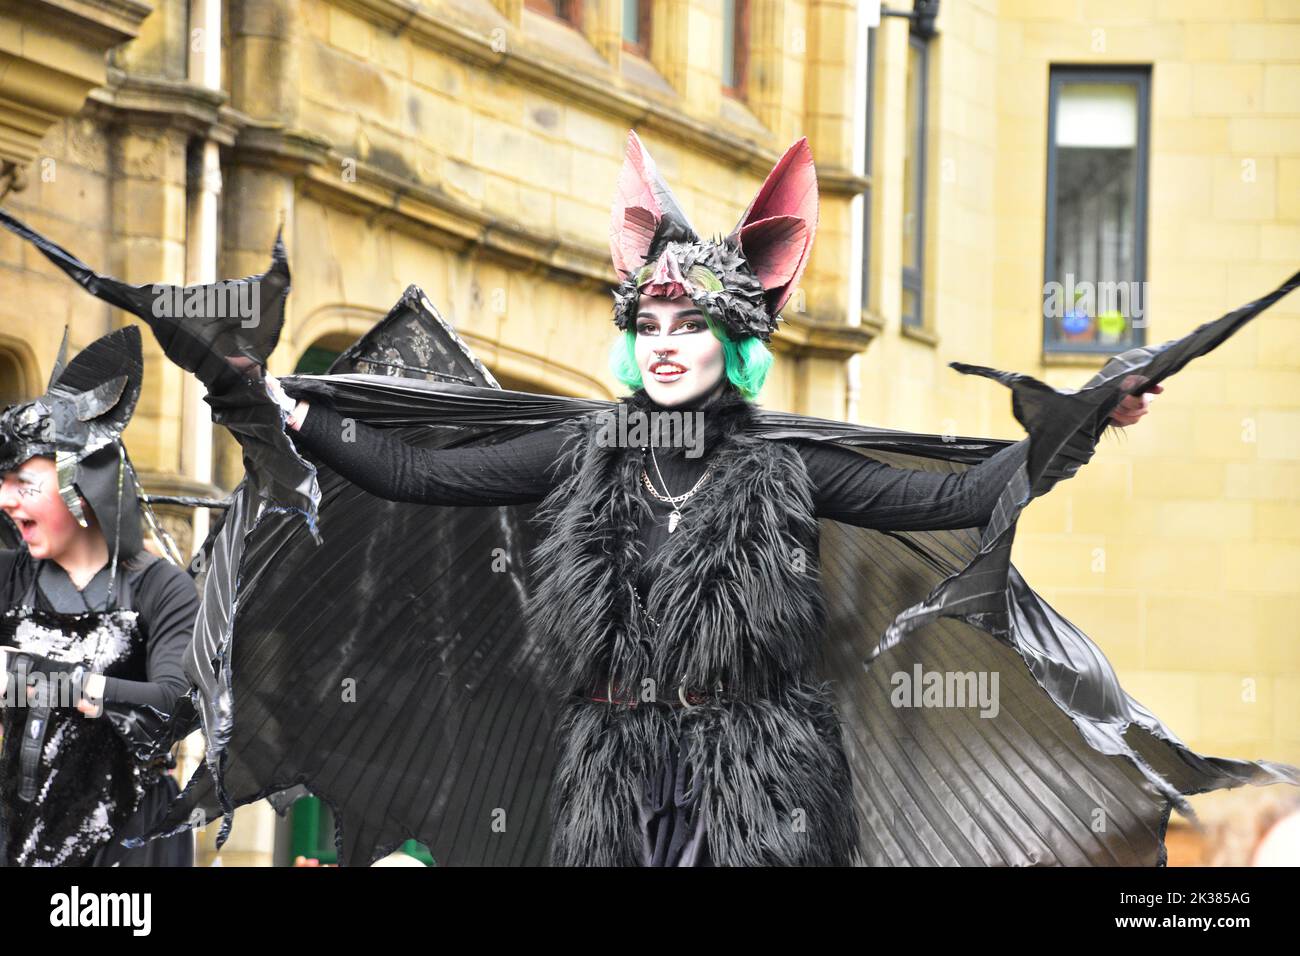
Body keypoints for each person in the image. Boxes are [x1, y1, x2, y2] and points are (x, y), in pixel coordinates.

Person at [260, 132, 1162, 867]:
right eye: (647, 326)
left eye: (690, 326)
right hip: (612, 783)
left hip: (759, 788)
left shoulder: (790, 466)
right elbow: (419, 477)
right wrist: (284, 409)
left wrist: (1079, 426)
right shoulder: (584, 452)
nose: (663, 344)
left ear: (732, 342)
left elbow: (963, 497)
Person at [0, 327, 197, 866]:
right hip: (23, 838)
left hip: (128, 843)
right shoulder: (10, 578)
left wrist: (38, 675)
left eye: (24, 482)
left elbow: (176, 706)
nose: (6, 499)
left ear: (82, 484)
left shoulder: (161, 588)